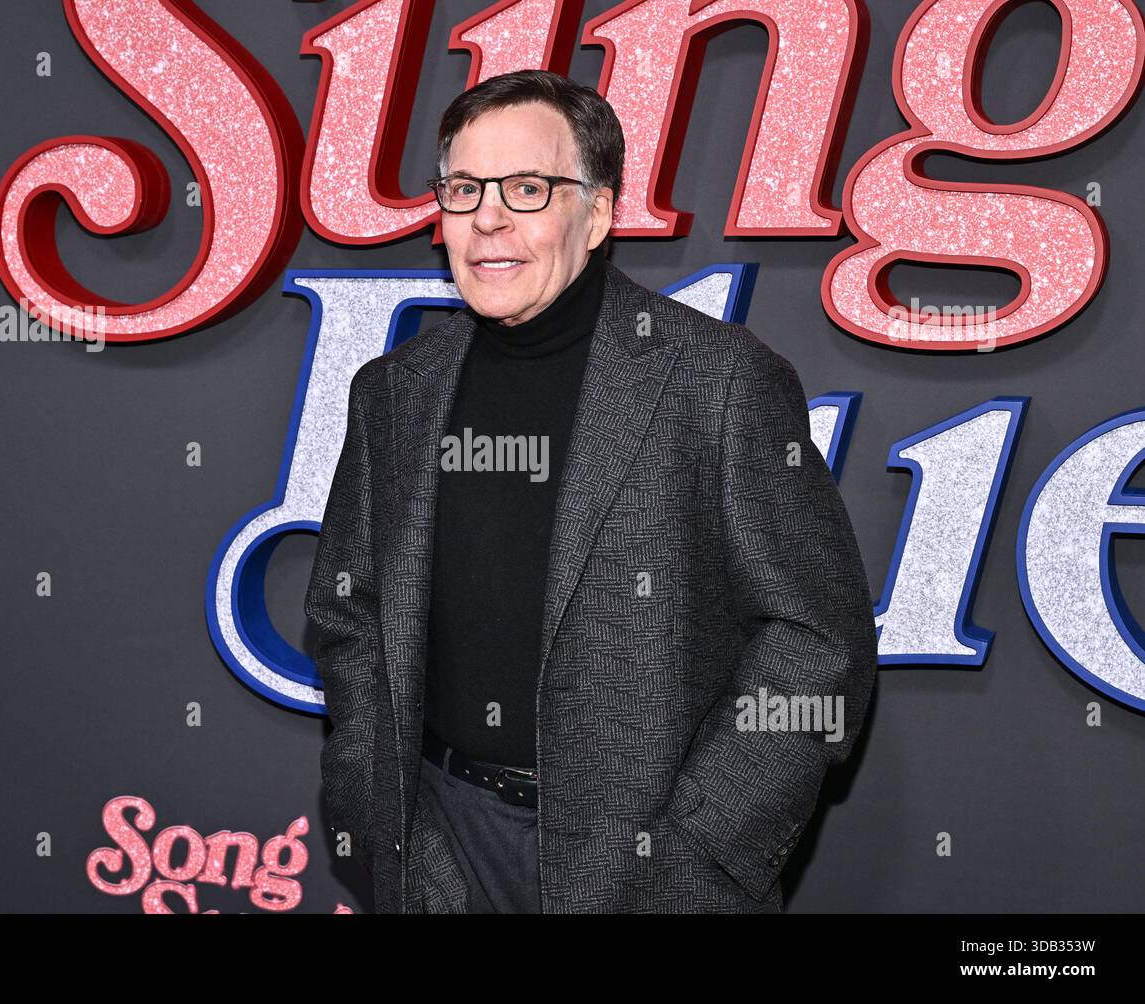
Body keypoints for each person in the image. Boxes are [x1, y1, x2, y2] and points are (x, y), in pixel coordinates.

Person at [304, 69, 878, 913]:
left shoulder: (718, 382)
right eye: (464, 189)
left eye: (527, 188)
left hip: (649, 864)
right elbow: (348, 610)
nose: (488, 218)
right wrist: (377, 789)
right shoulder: (394, 392)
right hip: (439, 847)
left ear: (600, 213)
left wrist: (706, 838)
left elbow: (817, 638)